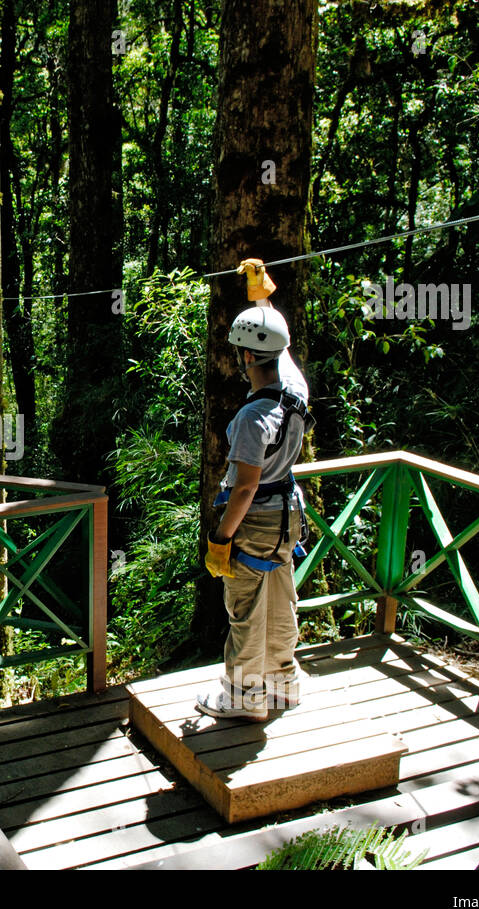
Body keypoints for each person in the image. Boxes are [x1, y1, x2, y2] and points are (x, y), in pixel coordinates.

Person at [196, 259, 312, 722]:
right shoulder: (295, 390)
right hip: (288, 514)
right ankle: (282, 680)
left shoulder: (250, 420)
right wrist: (261, 297)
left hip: (255, 518)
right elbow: (277, 347)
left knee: (245, 605)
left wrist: (221, 539)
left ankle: (244, 695)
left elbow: (243, 487)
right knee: (280, 595)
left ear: (245, 357)